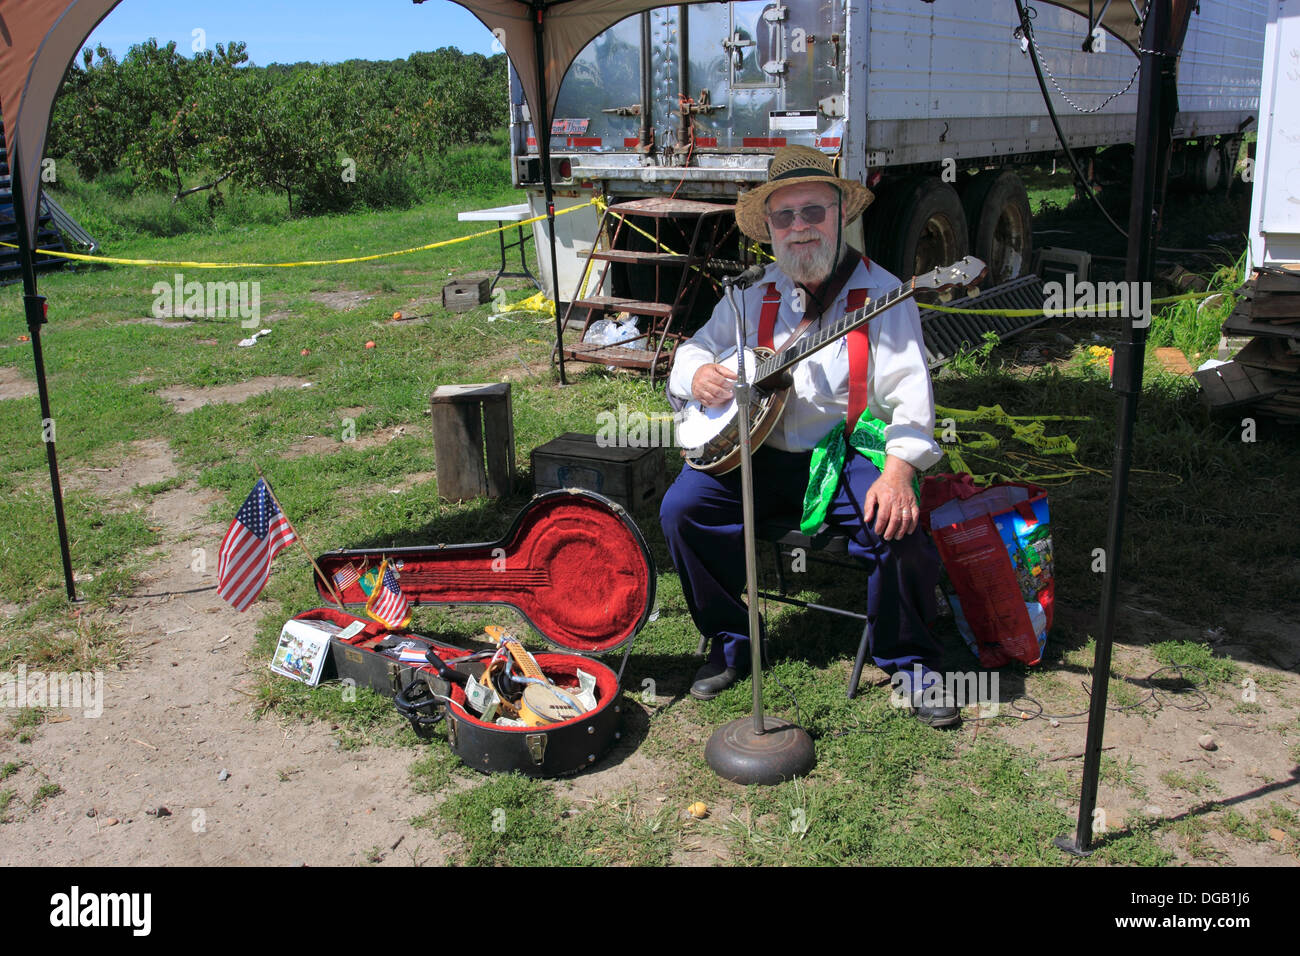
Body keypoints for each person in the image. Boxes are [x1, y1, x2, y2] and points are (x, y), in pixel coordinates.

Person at [659, 145, 957, 726]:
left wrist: (899, 473)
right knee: (681, 510)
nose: (800, 228)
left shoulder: (885, 294)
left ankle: (912, 664)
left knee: (898, 528)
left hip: (842, 452)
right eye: (785, 216)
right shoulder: (749, 293)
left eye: (812, 212)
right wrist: (697, 373)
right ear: (768, 226)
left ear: (840, 212)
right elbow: (694, 348)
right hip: (758, 452)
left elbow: (912, 396)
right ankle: (731, 641)